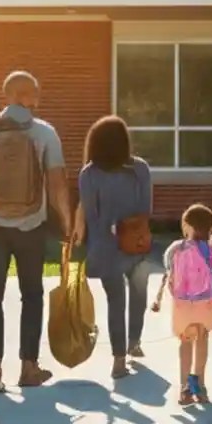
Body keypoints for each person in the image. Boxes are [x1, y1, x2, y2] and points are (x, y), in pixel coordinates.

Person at [0, 70, 73, 394]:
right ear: (28, 96)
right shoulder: (45, 133)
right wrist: (66, 222)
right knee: (32, 295)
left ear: (6, 95)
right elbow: (56, 184)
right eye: (35, 95)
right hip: (30, 226)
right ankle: (29, 368)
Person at [72, 115, 152, 379]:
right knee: (139, 293)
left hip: (105, 247)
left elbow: (92, 215)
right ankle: (134, 342)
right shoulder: (140, 169)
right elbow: (146, 207)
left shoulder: (89, 173)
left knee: (115, 301)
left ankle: (119, 358)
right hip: (137, 241)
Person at [152, 204, 212, 406]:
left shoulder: (177, 248)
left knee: (185, 342)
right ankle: (200, 385)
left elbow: (168, 270)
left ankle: (185, 388)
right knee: (202, 339)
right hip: (206, 303)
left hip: (183, 305)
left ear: (187, 226)